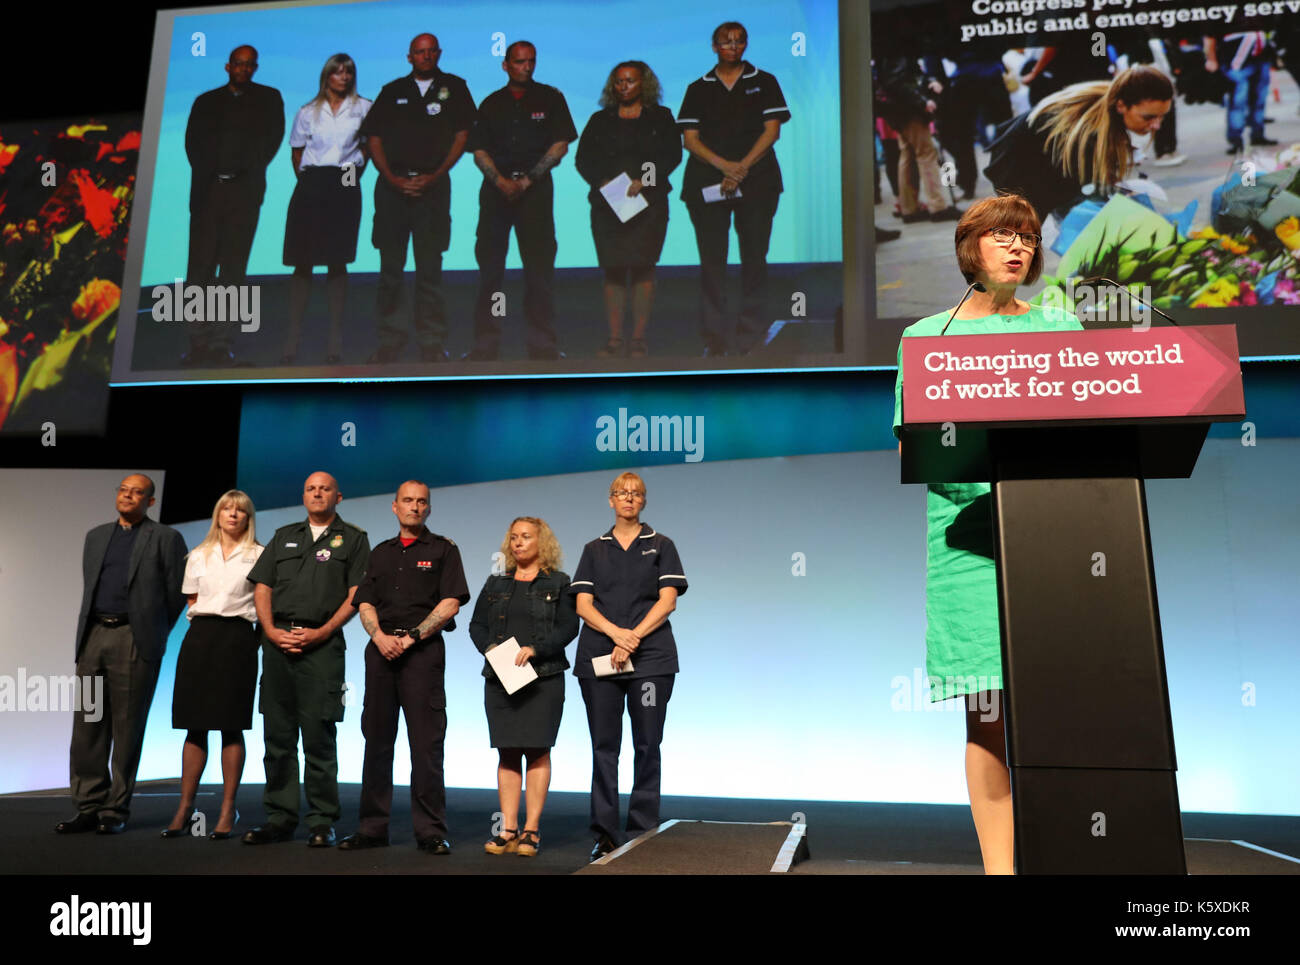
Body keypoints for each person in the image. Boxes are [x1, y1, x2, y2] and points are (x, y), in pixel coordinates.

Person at [892, 194, 1082, 874]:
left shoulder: (1061, 327)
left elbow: (1089, 430)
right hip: (970, 552)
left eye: (1027, 237)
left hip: (1055, 546)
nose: (1017, 247)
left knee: (1060, 709)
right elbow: (921, 448)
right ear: (970, 249)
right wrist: (999, 493)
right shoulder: (926, 338)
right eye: (1002, 235)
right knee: (989, 716)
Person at [339, 481, 469, 855]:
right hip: (380, 653)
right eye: (408, 501)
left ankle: (430, 831)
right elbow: (364, 602)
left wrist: (411, 638)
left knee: (426, 746)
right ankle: (372, 828)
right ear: (395, 507)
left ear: (428, 509)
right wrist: (379, 637)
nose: (415, 506)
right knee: (376, 742)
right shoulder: (380, 552)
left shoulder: (444, 549)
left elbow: (450, 604)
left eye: (422, 501)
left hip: (422, 656)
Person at [242, 472, 369, 847]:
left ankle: (321, 821)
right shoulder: (284, 535)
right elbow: (262, 586)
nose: (318, 493)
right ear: (304, 496)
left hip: (323, 648)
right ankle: (279, 818)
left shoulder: (355, 539)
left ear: (338, 496)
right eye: (311, 489)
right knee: (277, 737)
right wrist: (269, 629)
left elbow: (356, 594)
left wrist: (322, 632)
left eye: (325, 488)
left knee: (319, 737)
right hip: (277, 643)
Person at [57, 474, 187, 835]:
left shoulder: (166, 538)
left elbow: (178, 592)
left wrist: (151, 629)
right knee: (88, 726)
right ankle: (87, 805)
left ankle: (115, 808)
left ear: (151, 501)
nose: (128, 496)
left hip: (133, 637)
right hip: (94, 636)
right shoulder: (96, 536)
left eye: (137, 493)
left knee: (128, 727)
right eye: (124, 491)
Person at [570, 472, 687, 860]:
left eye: (636, 494)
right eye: (621, 493)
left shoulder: (661, 545)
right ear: (610, 500)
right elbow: (583, 605)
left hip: (650, 659)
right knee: (604, 746)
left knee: (647, 744)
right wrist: (617, 635)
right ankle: (605, 833)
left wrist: (632, 636)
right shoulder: (593, 548)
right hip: (601, 658)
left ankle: (642, 831)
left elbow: (667, 600)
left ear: (644, 501)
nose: (629, 498)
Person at [677, 22, 793, 356]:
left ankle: (751, 333)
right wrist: (726, 167)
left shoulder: (765, 81)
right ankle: (715, 337)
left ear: (746, 44)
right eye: (726, 42)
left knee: (754, 258)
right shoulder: (698, 88)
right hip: (706, 181)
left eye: (739, 41)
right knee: (712, 261)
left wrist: (740, 168)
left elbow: (772, 132)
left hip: (759, 181)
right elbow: (690, 140)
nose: (733, 46)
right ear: (714, 46)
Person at [360, 33, 477, 364]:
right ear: (409, 57)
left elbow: (463, 135)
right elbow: (374, 137)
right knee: (390, 270)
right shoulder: (392, 90)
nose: (425, 57)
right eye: (419, 52)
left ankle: (432, 342)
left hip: (434, 190)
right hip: (392, 190)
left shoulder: (455, 87)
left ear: (438, 53)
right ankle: (390, 341)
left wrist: (435, 175)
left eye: (430, 52)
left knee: (430, 270)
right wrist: (393, 178)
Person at [468, 517, 578, 857]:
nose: (518, 543)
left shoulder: (559, 582)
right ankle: (508, 829)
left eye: (526, 537)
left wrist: (536, 649)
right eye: (514, 537)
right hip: (501, 679)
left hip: (543, 677)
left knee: (538, 750)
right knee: (507, 750)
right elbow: (477, 625)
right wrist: (490, 649)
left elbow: (568, 627)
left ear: (541, 542)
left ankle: (531, 830)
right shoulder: (496, 582)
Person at [466, 41, 577, 361]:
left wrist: (528, 180)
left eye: (531, 61)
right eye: (519, 62)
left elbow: (560, 145)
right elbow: (479, 150)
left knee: (539, 272)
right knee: (491, 273)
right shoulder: (491, 104)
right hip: (495, 193)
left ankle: (542, 343)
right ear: (505, 65)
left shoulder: (551, 98)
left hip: (536, 193)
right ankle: (487, 342)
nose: (526, 67)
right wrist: (501, 181)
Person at [163, 491, 263, 840]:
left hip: (238, 639)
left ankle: (227, 809)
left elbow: (266, 604)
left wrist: (254, 640)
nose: (232, 514)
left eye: (240, 510)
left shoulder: (259, 555)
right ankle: (185, 808)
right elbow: (192, 599)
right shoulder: (198, 555)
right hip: (200, 639)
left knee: (231, 726)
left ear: (248, 517)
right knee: (194, 726)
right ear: (217, 514)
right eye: (226, 508)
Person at [183, 45, 284, 366]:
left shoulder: (269, 98)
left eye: (249, 65)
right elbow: (192, 144)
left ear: (256, 67)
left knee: (232, 270)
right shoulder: (206, 101)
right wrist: (213, 175)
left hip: (244, 193)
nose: (243, 69)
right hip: (208, 193)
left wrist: (244, 174)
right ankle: (198, 341)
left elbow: (272, 141)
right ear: (227, 67)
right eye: (238, 64)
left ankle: (221, 343)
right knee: (199, 269)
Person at [575, 62, 681, 359]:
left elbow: (671, 154)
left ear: (643, 84)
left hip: (649, 204)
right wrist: (604, 181)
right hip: (609, 204)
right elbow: (584, 159)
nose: (624, 87)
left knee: (644, 267)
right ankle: (614, 338)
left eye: (630, 81)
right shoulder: (600, 119)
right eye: (619, 82)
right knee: (614, 270)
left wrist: (644, 180)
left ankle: (638, 339)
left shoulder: (661, 117)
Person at [984, 65, 1173, 226]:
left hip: (1052, 161)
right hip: (1018, 165)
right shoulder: (1086, 130)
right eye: (1148, 117)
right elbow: (1082, 193)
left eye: (1162, 117)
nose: (1157, 125)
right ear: (1122, 106)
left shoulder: (1111, 106)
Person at [280, 54, 372, 365]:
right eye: (338, 72)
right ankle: (292, 337)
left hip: (345, 178)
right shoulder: (308, 111)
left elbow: (367, 148)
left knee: (337, 259)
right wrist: (311, 184)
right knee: (302, 260)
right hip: (313, 181)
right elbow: (297, 152)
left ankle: (335, 337)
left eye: (349, 72)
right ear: (327, 76)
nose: (344, 77)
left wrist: (350, 178)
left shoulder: (364, 108)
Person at [1204, 31, 1277, 154]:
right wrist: (1211, 59)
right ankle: (1236, 139)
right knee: (1238, 101)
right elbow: (1209, 36)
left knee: (1259, 99)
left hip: (1260, 56)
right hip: (1236, 59)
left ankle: (1257, 134)